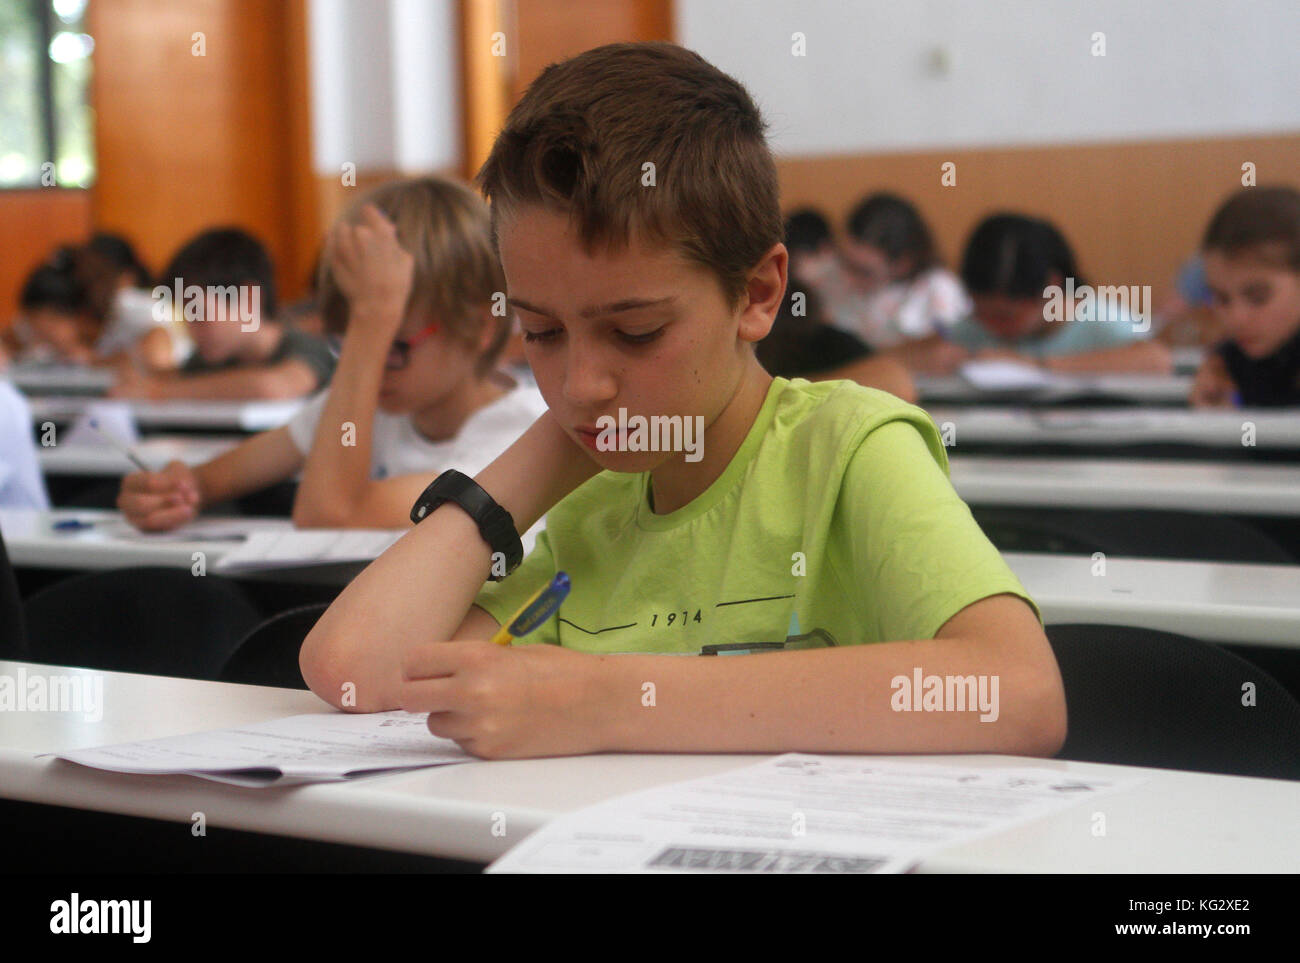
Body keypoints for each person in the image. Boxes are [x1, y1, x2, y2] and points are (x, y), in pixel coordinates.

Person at [299, 42, 1066, 761]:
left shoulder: (848, 446)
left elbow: (1020, 693)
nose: (580, 382)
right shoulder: (587, 508)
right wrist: (549, 446)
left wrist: (611, 700)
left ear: (758, 294)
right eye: (540, 331)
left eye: (635, 332)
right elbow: (358, 671)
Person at [117, 177, 546, 531]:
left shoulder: (518, 435)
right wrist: (170, 492)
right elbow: (211, 480)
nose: (371, 368)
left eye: (391, 344)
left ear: (479, 327)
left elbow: (331, 514)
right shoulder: (382, 407)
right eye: (350, 340)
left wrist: (372, 322)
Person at [905, 214, 1171, 375]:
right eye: (980, 311)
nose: (992, 326)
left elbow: (1157, 361)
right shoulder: (976, 327)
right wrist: (931, 360)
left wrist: (1031, 365)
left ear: (1051, 288)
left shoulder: (1100, 320)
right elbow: (899, 356)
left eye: (1005, 316)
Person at [109, 228, 335, 400]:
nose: (191, 327)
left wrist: (157, 391)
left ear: (248, 299)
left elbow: (272, 387)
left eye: (198, 313)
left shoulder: (307, 347)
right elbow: (179, 378)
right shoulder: (212, 360)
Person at [1191, 186, 1300, 407]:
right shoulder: (1226, 365)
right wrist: (1216, 423)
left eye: (1258, 298)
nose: (1236, 318)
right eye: (1222, 299)